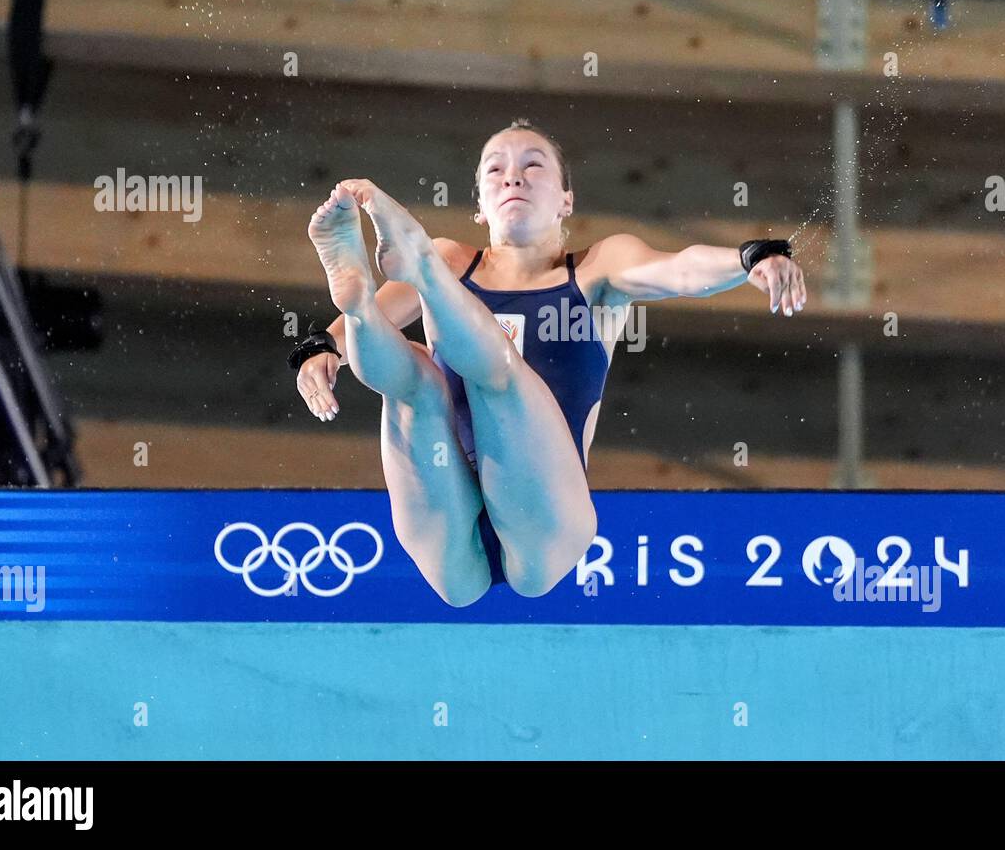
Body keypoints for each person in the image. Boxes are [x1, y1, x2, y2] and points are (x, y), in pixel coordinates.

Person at [295, 119, 806, 607]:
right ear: (480, 205)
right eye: (495, 168)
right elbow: (342, 342)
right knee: (413, 378)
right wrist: (321, 347)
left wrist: (750, 256)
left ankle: (410, 278)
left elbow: (681, 268)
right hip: (446, 501)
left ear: (566, 200)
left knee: (499, 370)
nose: (513, 175)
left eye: (533, 165)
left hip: (545, 518)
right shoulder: (454, 258)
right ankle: (357, 297)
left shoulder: (600, 265)